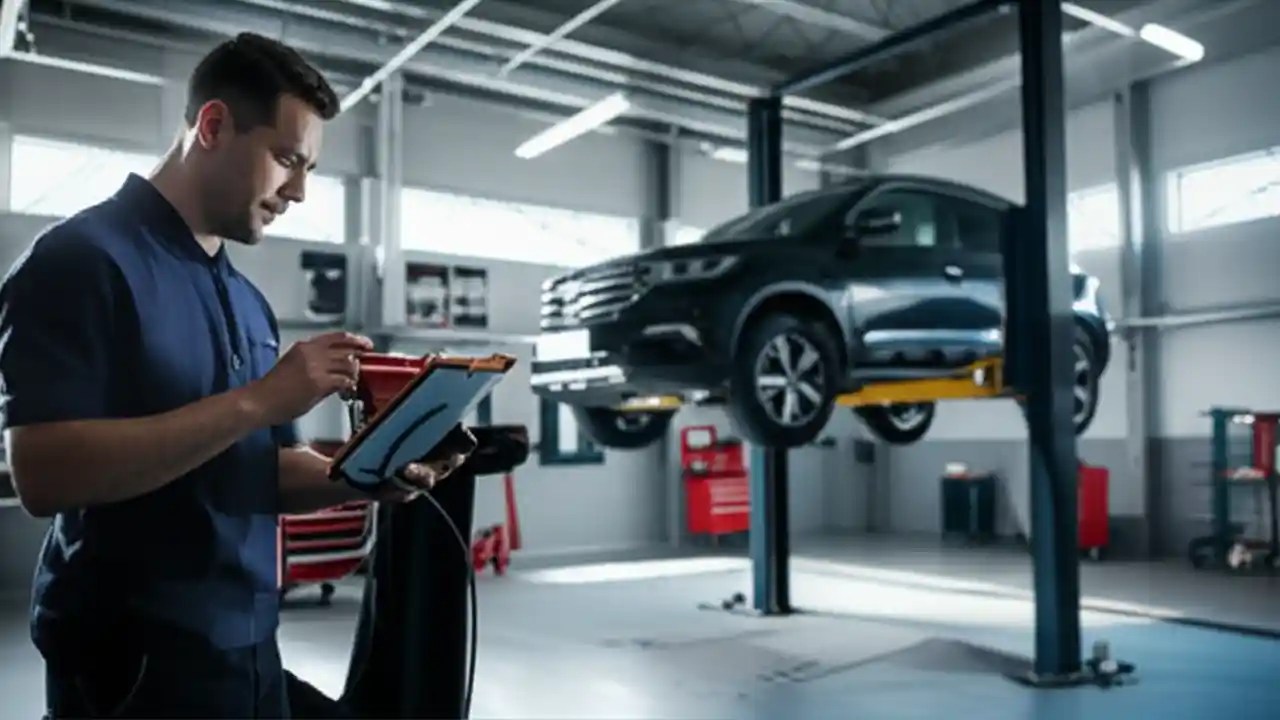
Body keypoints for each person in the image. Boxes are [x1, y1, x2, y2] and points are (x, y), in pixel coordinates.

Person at [0, 33, 469, 718]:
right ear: (213, 126)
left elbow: (261, 470)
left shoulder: (246, 302)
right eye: (287, 159)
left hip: (247, 647)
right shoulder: (80, 260)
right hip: (130, 666)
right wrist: (259, 400)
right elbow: (43, 476)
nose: (300, 192)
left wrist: (368, 475)